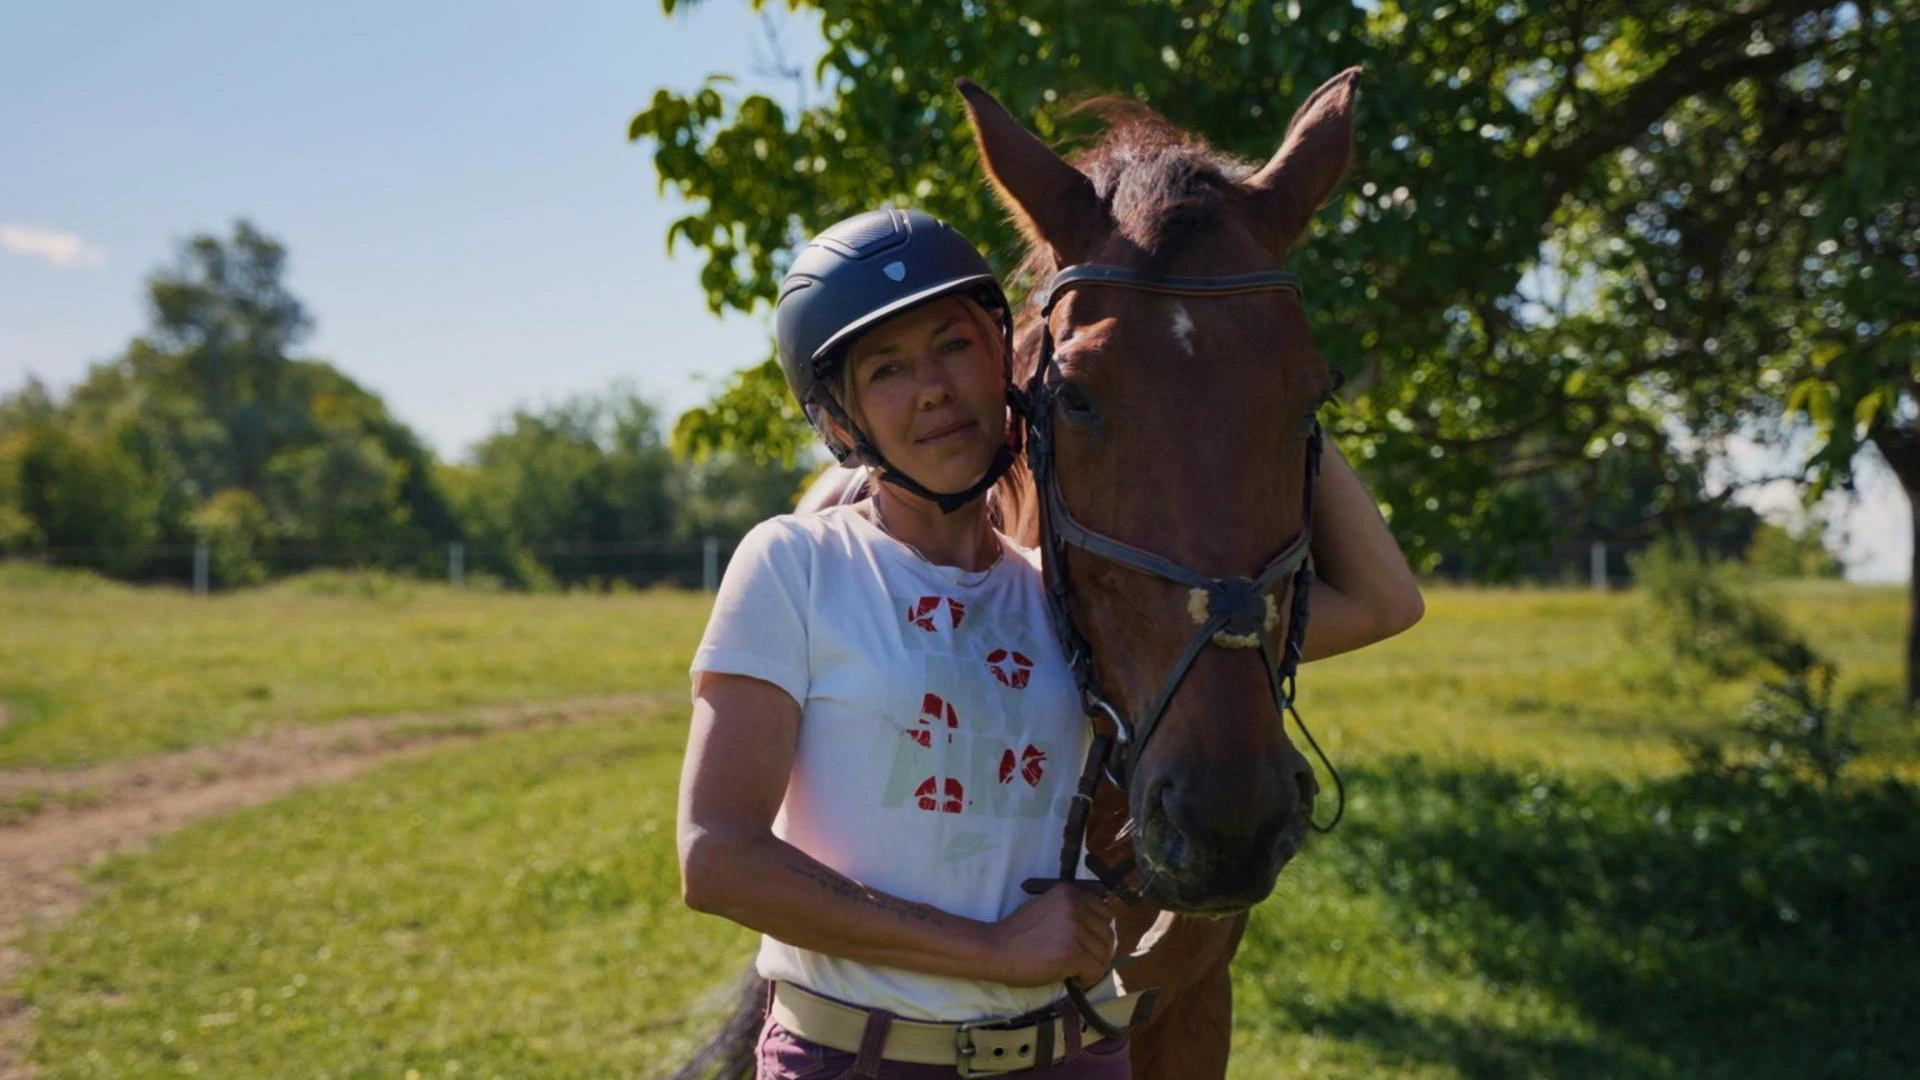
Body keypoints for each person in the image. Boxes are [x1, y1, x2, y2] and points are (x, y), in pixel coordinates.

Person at [678, 208, 1422, 1080]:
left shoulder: (1078, 604)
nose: (932, 388)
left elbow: (1381, 602)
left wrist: (1250, 374)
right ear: (840, 415)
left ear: (1010, 361)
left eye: (954, 346)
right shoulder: (798, 564)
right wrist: (994, 949)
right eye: (887, 368)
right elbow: (717, 858)